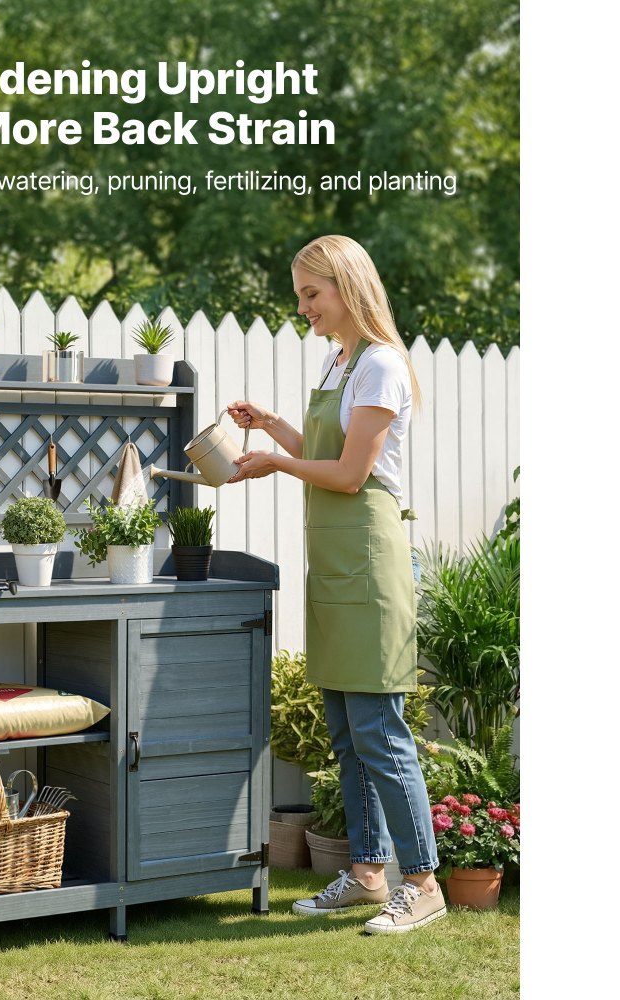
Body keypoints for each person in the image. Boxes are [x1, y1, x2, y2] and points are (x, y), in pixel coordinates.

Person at [227, 234, 445, 935]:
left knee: (381, 732)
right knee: (348, 735)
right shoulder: (339, 361)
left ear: (348, 288)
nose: (304, 307)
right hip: (333, 562)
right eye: (300, 295)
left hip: (371, 566)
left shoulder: (380, 364)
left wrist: (274, 465)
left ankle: (424, 882)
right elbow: (322, 450)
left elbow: (351, 475)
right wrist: (274, 428)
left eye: (311, 294)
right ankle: (367, 872)